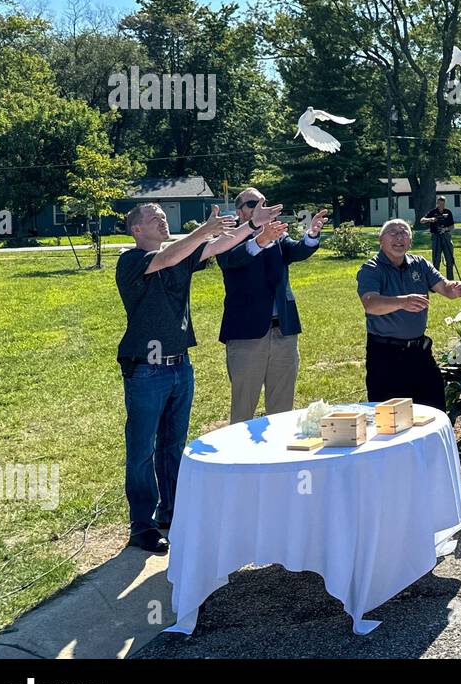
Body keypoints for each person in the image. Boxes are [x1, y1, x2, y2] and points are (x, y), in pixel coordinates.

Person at [115, 203, 246, 552]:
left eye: (163, 215)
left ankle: (171, 513)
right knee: (142, 450)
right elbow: (170, 258)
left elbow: (217, 246)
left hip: (179, 366)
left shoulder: (179, 253)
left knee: (173, 445)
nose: (162, 219)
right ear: (136, 230)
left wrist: (253, 226)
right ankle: (142, 527)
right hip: (146, 368)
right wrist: (205, 229)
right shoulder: (131, 260)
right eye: (153, 217)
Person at [217, 188, 328, 425]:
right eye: (252, 204)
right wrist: (260, 240)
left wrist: (311, 234)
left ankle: (279, 459)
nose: (260, 207)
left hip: (283, 331)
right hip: (247, 334)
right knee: (243, 409)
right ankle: (239, 461)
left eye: (263, 202)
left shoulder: (275, 232)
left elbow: (295, 251)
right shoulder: (227, 236)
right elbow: (231, 260)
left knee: (282, 409)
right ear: (240, 211)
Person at [357, 218, 461, 409]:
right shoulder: (371, 269)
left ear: (410, 240)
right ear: (380, 240)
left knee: (434, 410)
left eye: (404, 233)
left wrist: (454, 288)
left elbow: (444, 288)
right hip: (385, 355)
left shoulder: (419, 264)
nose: (399, 237)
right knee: (390, 418)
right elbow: (371, 304)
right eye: (393, 233)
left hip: (419, 352)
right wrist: (403, 302)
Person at [420, 194, 458, 279]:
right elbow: (422, 220)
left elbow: (452, 226)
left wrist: (445, 229)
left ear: (445, 204)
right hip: (436, 237)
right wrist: (431, 219)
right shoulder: (433, 212)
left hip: (446, 236)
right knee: (436, 260)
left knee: (450, 259)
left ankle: (450, 280)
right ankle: (436, 280)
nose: (441, 205)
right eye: (439, 204)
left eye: (443, 204)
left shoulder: (448, 212)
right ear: (437, 203)